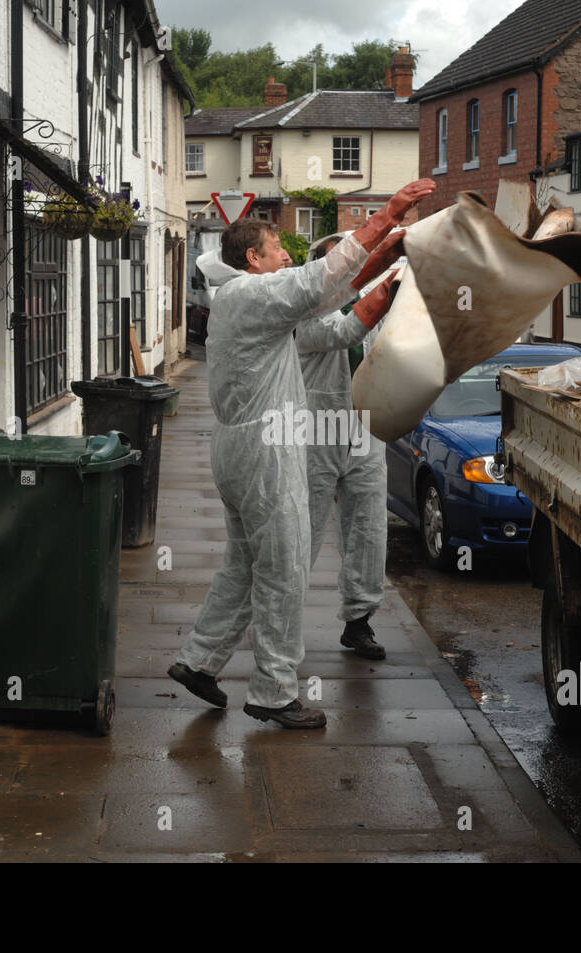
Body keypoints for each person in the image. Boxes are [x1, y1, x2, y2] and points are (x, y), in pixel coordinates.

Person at [168, 180, 435, 729]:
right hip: (265, 451)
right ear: (253, 258)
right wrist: (386, 216)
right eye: (277, 250)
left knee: (244, 565)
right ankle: (273, 692)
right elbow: (320, 279)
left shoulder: (251, 303)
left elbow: (332, 305)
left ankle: (199, 660)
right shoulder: (251, 295)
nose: (286, 257)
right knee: (285, 570)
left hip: (242, 447)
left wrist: (388, 265)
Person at [295, 233, 400, 660]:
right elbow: (342, 332)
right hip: (317, 426)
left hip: (364, 424)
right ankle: (283, 621)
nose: (348, 272)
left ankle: (359, 621)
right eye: (338, 265)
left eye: (353, 265)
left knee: (369, 525)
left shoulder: (371, 305)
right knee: (305, 527)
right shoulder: (305, 311)